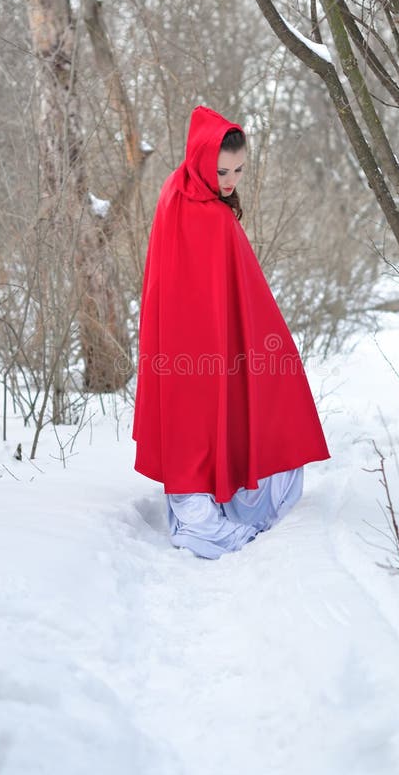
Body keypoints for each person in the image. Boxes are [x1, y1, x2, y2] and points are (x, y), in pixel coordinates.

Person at [132, 106, 331, 559]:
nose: (230, 180)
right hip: (188, 341)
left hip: (193, 340)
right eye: (222, 170)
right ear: (202, 159)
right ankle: (200, 509)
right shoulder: (197, 210)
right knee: (197, 421)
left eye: (239, 170)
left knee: (226, 411)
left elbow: (235, 289)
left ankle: (213, 500)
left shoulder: (181, 191)